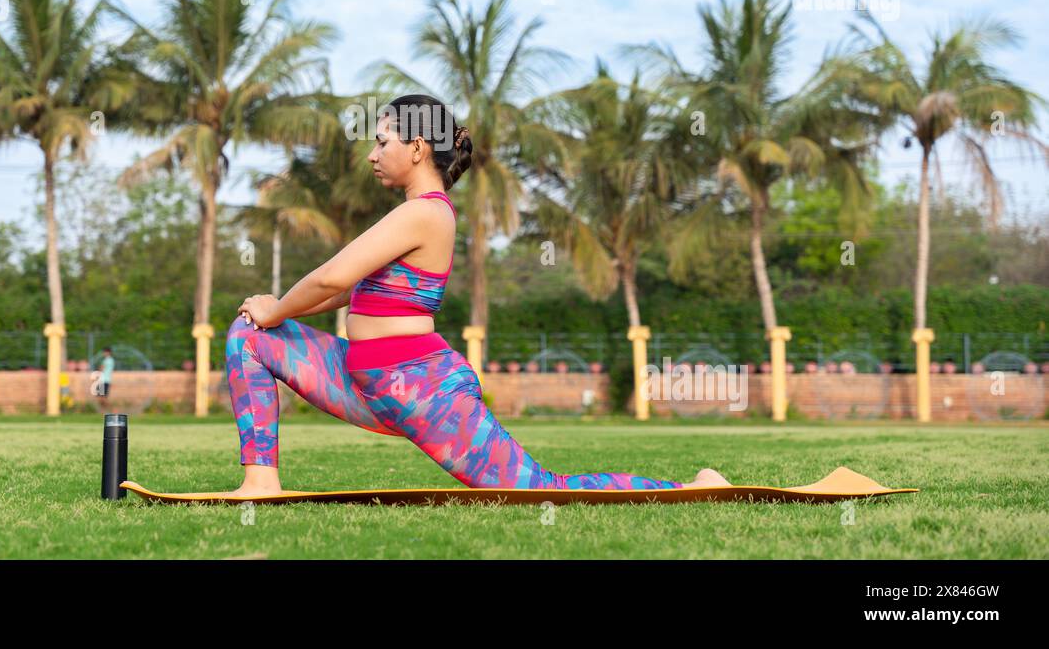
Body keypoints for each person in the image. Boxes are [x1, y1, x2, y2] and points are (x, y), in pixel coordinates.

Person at [226, 95, 730, 497]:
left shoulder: (426, 212)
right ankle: (260, 482)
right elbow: (344, 294)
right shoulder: (410, 215)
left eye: (382, 143)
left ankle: (693, 487)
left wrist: (276, 307)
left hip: (421, 389)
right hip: (361, 377)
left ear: (418, 147)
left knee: (536, 490)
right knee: (250, 337)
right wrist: (272, 318)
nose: (372, 155)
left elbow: (331, 278)